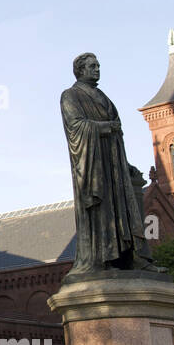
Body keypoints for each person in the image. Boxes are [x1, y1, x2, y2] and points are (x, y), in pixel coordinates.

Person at [60, 52, 162, 280]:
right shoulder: (71, 96)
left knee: (125, 211)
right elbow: (76, 127)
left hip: (115, 168)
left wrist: (125, 164)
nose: (97, 69)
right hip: (93, 167)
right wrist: (107, 127)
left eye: (98, 65)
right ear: (80, 70)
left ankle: (136, 258)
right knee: (103, 211)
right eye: (92, 66)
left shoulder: (104, 98)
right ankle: (104, 260)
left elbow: (117, 138)